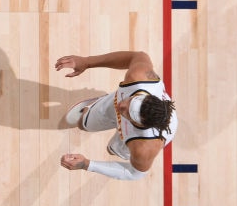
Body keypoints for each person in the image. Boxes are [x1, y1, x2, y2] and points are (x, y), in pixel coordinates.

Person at [55, 50, 178, 180]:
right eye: (131, 100)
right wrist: (87, 62)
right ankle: (99, 104)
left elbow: (134, 173)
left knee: (112, 150)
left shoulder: (143, 147)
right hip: (126, 104)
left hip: (136, 138)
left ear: (138, 125)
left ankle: (115, 131)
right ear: (143, 97)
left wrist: (87, 164)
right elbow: (137, 56)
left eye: (128, 112)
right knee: (82, 124)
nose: (121, 106)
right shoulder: (140, 77)